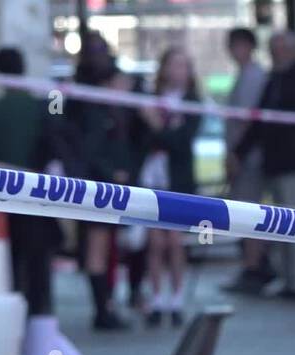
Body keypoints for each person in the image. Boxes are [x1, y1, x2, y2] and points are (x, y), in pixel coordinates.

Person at [229, 31, 295, 300]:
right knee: (284, 226)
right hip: (276, 165)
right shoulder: (273, 81)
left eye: (283, 49)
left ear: (294, 51)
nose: (278, 54)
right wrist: (239, 153)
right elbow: (259, 121)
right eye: (274, 49)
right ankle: (289, 279)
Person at [64, 31, 144, 330]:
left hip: (103, 182)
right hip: (98, 185)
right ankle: (103, 310)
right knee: (98, 247)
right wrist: (112, 173)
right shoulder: (94, 107)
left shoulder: (97, 103)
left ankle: (106, 305)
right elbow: (91, 147)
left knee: (105, 247)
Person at [0, 47, 63, 318]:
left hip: (7, 199)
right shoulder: (40, 108)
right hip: (38, 198)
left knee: (12, 265)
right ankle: (41, 319)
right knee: (39, 267)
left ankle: (15, 321)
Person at [137, 47, 202, 328]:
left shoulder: (192, 103)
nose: (178, 71)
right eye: (174, 65)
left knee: (175, 241)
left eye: (184, 66)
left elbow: (180, 142)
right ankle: (157, 297)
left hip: (178, 179)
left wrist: (156, 125)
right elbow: (141, 140)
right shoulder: (150, 99)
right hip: (152, 176)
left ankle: (176, 299)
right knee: (155, 242)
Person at [220, 27, 272, 295]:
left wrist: (236, 154)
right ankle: (252, 263)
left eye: (238, 45)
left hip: (248, 157)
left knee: (248, 211)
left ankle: (255, 265)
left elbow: (247, 122)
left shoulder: (254, 77)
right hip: (242, 154)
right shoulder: (243, 76)